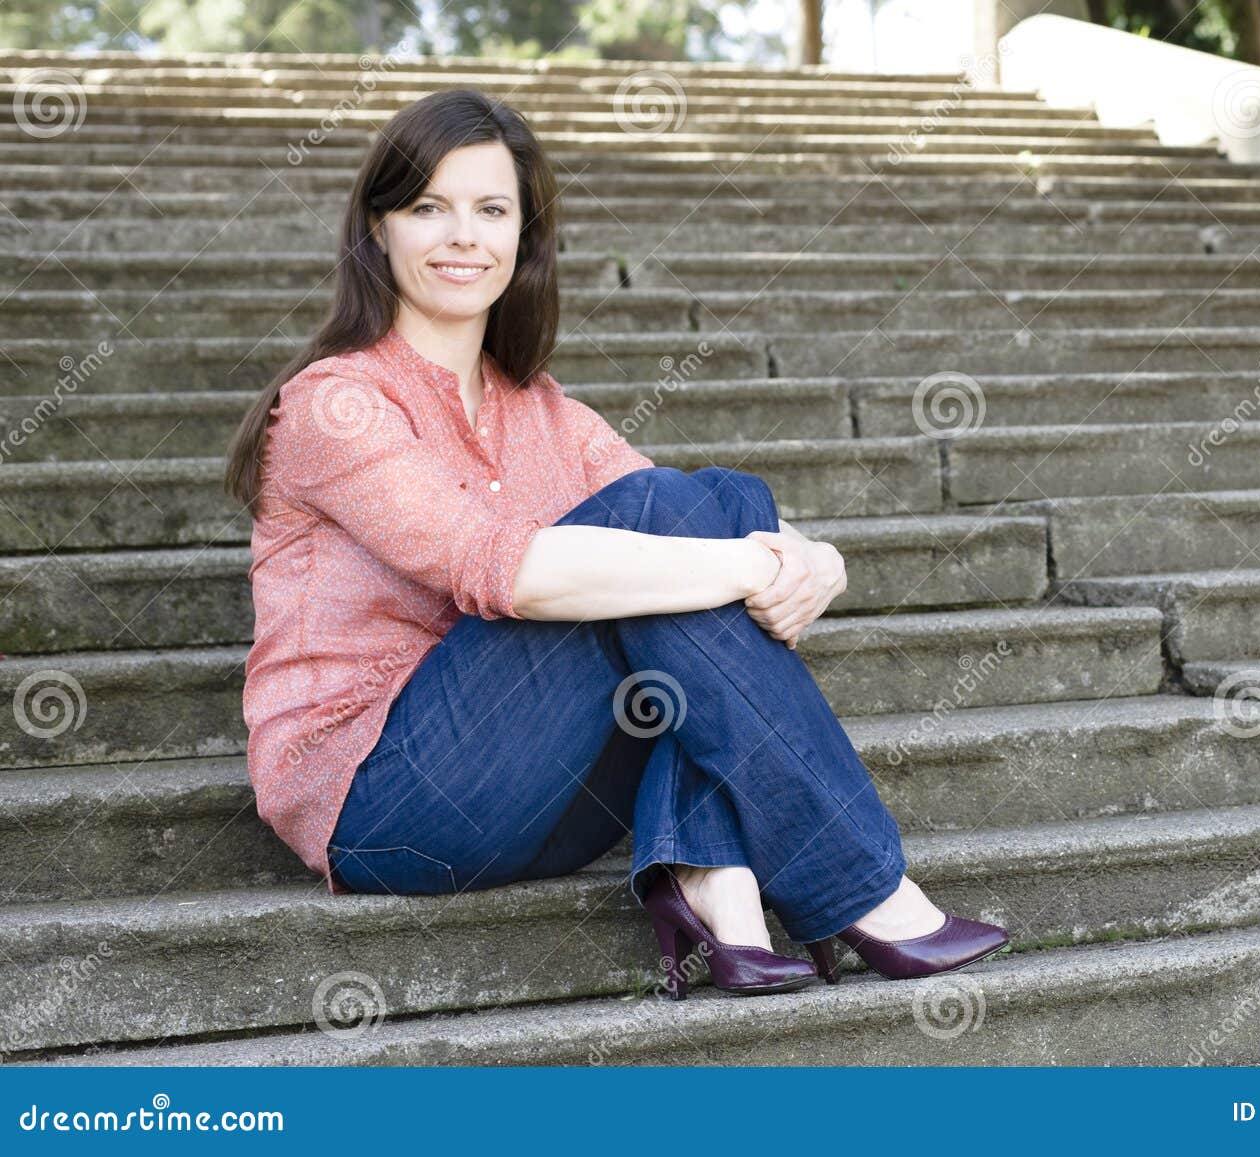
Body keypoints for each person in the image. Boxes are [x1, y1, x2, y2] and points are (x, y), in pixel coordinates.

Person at [223, 87, 1008, 1000]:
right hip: (386, 803)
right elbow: (505, 571)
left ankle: (716, 874)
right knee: (661, 525)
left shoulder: (538, 409)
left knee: (716, 496)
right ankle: (861, 887)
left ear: (525, 237)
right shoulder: (336, 403)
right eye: (428, 207)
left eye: (491, 209)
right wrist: (748, 567)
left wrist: (816, 560)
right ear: (378, 229)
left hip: (540, 805)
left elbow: (701, 516)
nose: (461, 236)